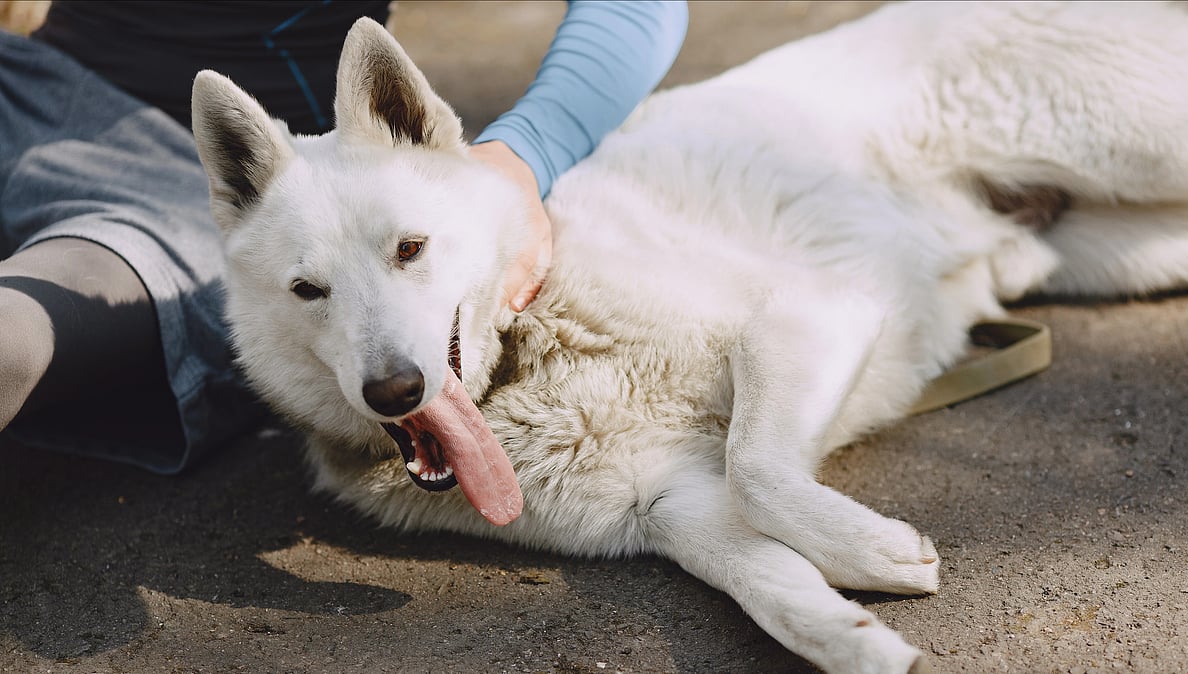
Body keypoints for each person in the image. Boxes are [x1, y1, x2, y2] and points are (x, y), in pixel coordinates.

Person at [0, 1, 689, 474]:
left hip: (226, 181)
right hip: (22, 79)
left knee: (15, 341)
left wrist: (523, 151)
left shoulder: (274, 221)